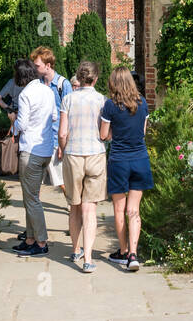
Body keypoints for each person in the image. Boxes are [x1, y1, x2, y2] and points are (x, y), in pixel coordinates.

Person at [58, 60, 107, 272]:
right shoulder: (102, 100)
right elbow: (104, 132)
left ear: (79, 77)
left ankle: (75, 249)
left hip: (73, 154)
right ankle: (88, 258)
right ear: (95, 79)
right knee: (90, 209)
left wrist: (63, 148)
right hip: (95, 153)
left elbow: (62, 133)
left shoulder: (68, 99)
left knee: (74, 206)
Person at [101, 67, 152, 271]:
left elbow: (104, 135)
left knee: (119, 209)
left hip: (119, 161)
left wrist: (116, 132)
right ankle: (133, 254)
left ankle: (122, 252)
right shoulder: (143, 104)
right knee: (134, 210)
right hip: (140, 159)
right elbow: (142, 133)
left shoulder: (110, 106)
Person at [11, 58, 56, 256]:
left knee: (32, 199)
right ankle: (30, 239)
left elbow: (22, 124)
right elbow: (54, 116)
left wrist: (12, 124)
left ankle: (41, 242)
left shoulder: (25, 94)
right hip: (46, 149)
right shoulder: (47, 90)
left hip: (30, 150)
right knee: (30, 197)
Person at [30, 46, 72, 192]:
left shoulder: (63, 85)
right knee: (33, 182)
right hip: (39, 140)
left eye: (37, 65)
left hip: (56, 139)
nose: (34, 68)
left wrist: (63, 144)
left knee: (61, 179)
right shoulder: (37, 84)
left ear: (48, 66)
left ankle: (73, 205)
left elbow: (69, 116)